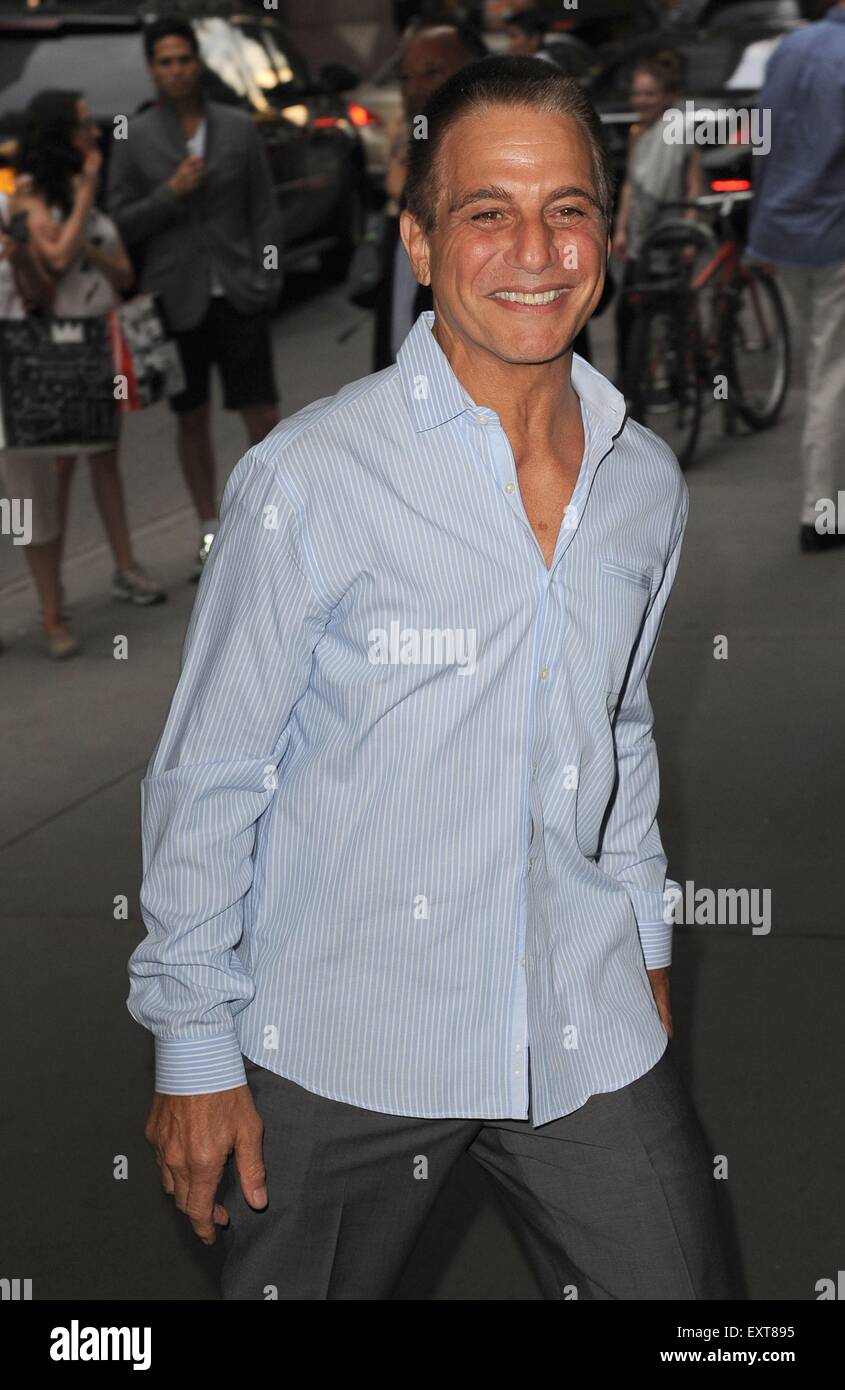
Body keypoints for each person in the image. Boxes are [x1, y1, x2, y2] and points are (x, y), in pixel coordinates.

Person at [129, 56, 735, 1301]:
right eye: (484, 212)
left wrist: (643, 927)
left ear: (606, 233)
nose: (533, 247)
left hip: (575, 1013)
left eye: (566, 208)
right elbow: (211, 771)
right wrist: (194, 1048)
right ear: (415, 241)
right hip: (343, 1041)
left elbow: (616, 727)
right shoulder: (312, 481)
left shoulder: (642, 487)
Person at [107, 14, 282, 582]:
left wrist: (267, 276)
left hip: (238, 289)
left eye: (184, 59)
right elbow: (118, 224)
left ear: (197, 64)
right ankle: (210, 531)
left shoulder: (235, 126)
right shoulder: (133, 136)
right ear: (152, 70)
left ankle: (279, 527)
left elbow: (264, 209)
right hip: (174, 298)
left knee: (262, 413)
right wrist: (168, 193)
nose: (177, 70)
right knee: (192, 419)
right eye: (165, 61)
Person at [12, 90, 166, 633]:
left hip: (99, 339)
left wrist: (90, 236)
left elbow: (123, 274)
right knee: (55, 471)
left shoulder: (88, 198)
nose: (94, 133)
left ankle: (125, 566)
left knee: (105, 458)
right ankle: (51, 598)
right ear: (60, 135)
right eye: (82, 126)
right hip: (54, 348)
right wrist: (86, 195)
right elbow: (54, 261)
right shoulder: (31, 197)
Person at [746, 0, 845, 554]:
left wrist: (760, 219)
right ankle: (821, 509)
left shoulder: (791, 49)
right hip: (835, 232)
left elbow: (763, 137)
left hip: (785, 229)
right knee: (832, 370)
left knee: (822, 368)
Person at [371, 20, 485, 371]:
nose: (414, 89)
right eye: (405, 78)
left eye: (431, 73)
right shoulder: (406, 155)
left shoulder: (504, 161)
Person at [0, 187, 73, 657]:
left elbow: (44, 295)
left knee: (25, 507)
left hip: (13, 373)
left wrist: (21, 257)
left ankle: (51, 612)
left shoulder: (7, 209)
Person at [612, 54, 703, 386]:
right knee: (629, 313)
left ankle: (678, 382)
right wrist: (621, 229)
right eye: (637, 93)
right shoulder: (638, 133)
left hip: (671, 236)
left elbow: (694, 183)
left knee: (673, 313)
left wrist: (690, 231)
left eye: (649, 93)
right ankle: (630, 383)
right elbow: (631, 187)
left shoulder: (678, 129)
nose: (641, 100)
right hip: (641, 239)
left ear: (665, 97)